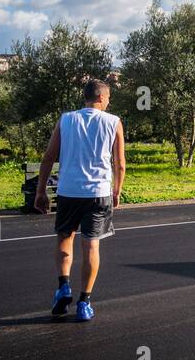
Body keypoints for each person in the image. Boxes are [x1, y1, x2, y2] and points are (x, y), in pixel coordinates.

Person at [34, 79, 126, 321]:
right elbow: (120, 164)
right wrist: (117, 190)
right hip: (97, 193)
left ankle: (64, 285)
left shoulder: (66, 119)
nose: (108, 102)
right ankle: (84, 302)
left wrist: (40, 191)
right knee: (91, 246)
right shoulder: (114, 122)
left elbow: (48, 158)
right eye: (108, 98)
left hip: (68, 191)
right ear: (102, 98)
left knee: (65, 238)